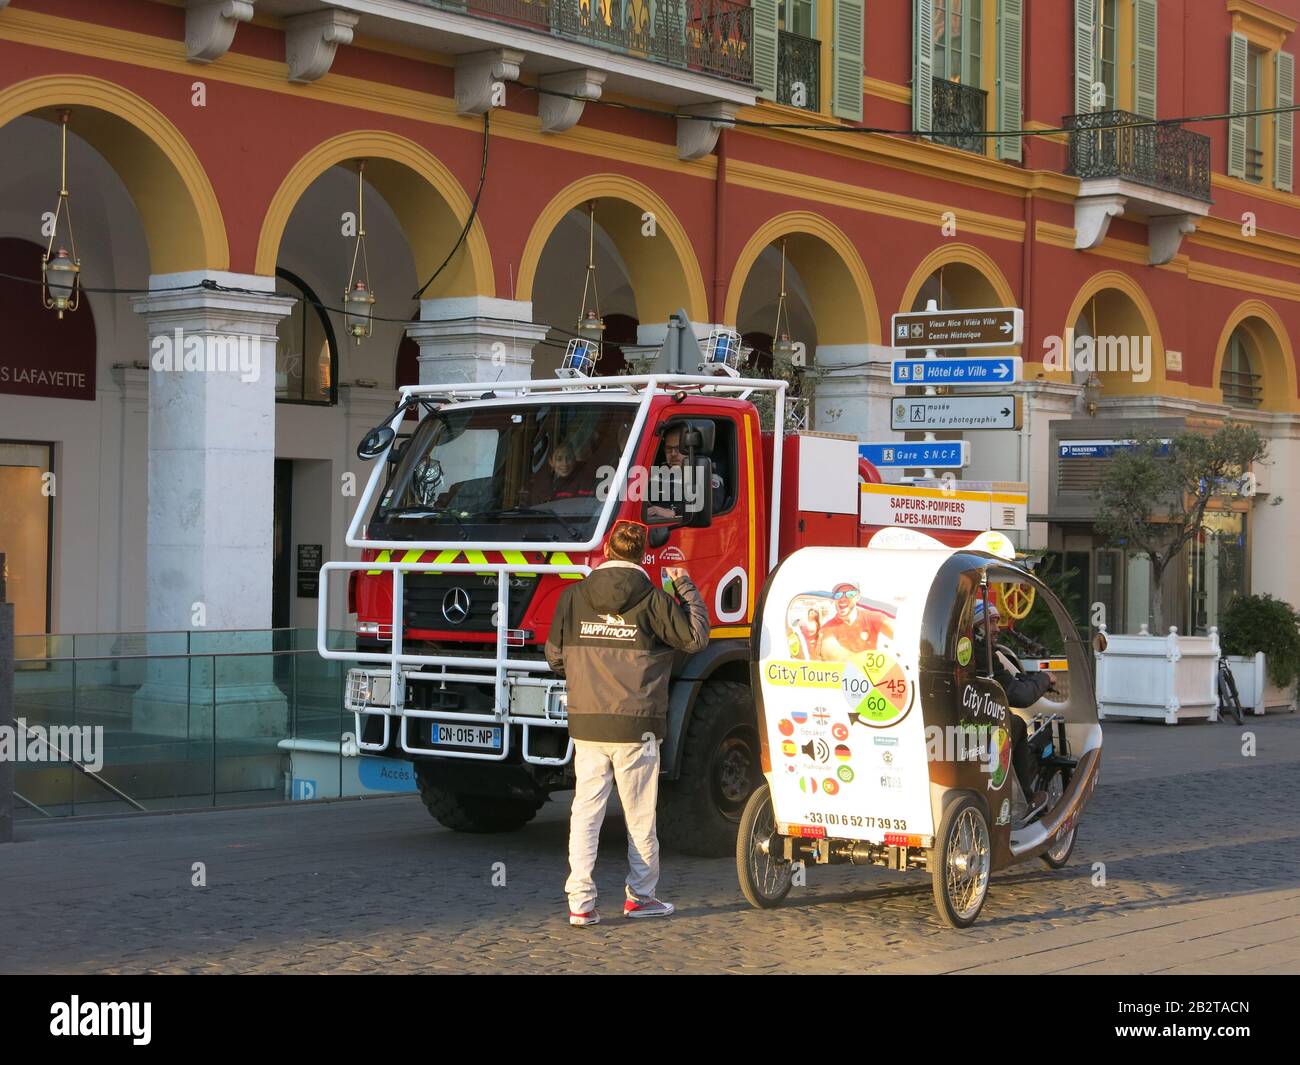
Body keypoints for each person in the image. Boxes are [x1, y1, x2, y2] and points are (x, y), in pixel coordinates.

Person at [545, 518, 709, 926]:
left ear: (606, 552)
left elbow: (553, 657)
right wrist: (685, 587)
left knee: (585, 812)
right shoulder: (655, 600)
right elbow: (696, 639)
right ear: (641, 555)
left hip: (587, 725)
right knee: (639, 817)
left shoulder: (571, 597)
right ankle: (640, 896)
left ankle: (580, 903)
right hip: (638, 726)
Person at [970, 597, 1054, 813]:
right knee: (1015, 723)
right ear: (977, 626)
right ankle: (1026, 797)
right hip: (978, 726)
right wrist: (1044, 679)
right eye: (991, 622)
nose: (997, 628)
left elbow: (1008, 682)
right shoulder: (981, 653)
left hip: (962, 720)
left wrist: (1033, 680)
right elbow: (1019, 696)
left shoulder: (969, 649)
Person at [645, 423, 724, 523]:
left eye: (678, 449)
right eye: (669, 449)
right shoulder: (656, 473)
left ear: (691, 448)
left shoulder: (706, 472)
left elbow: (711, 504)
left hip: (687, 529)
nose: (673, 454)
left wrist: (673, 510)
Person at [815, 582, 895, 661]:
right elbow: (823, 658)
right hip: (843, 672)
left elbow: (901, 638)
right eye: (838, 595)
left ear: (857, 597)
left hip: (869, 671)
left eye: (850, 594)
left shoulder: (873, 618)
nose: (842, 598)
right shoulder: (827, 629)